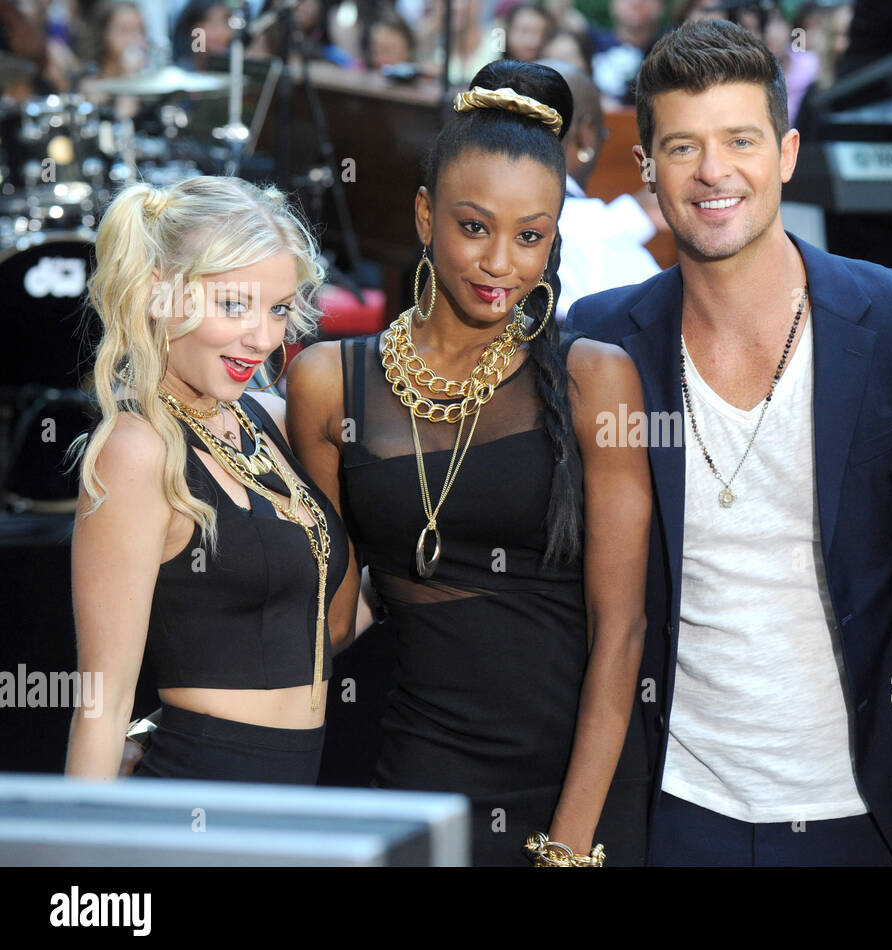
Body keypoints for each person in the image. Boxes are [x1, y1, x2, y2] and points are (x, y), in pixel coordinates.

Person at [568, 19, 892, 866]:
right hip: (677, 813)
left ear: (787, 153)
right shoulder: (601, 338)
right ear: (647, 169)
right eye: (682, 147)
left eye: (740, 140)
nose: (713, 172)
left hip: (869, 811)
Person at [286, 60, 652, 867]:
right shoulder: (326, 382)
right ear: (424, 216)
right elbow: (332, 618)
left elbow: (621, 630)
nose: (500, 265)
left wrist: (570, 841)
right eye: (473, 226)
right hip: (419, 769)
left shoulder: (596, 377)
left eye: (531, 236)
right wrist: (193, 718)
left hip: (579, 788)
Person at [64, 176, 356, 784]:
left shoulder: (269, 420)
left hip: (294, 804)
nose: (263, 336)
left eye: (278, 308)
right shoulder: (135, 451)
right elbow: (101, 705)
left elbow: (324, 619)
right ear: (159, 294)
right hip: (195, 808)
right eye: (234, 305)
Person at [537, 57, 660, 321]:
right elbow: (668, 326)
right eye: (603, 134)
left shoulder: (468, 214)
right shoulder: (599, 236)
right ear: (586, 135)